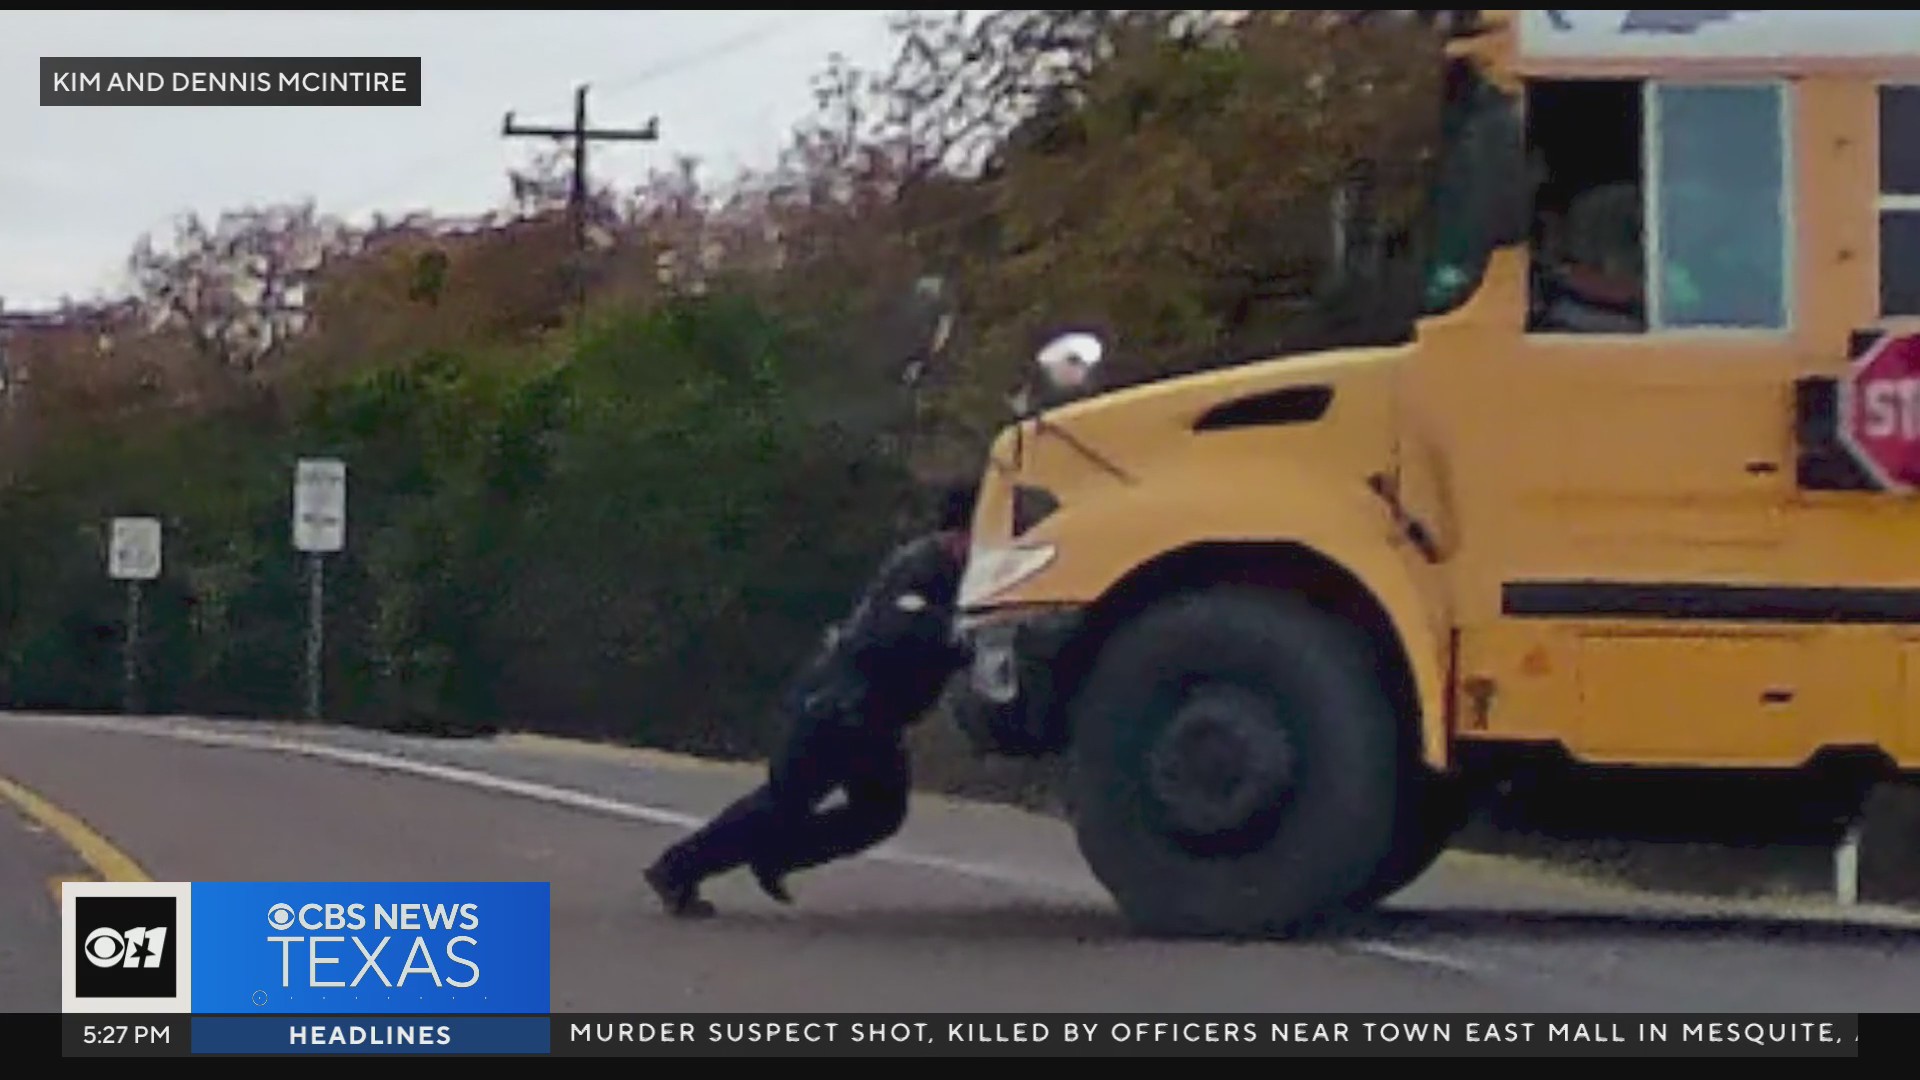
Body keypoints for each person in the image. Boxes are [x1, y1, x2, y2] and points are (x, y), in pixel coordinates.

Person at [643, 480, 979, 918]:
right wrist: (960, 640)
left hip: (873, 715)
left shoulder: (951, 573)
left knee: (878, 812)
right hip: (839, 709)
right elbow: (892, 634)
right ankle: (677, 869)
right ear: (960, 533)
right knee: (783, 803)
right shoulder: (922, 568)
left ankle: (777, 854)